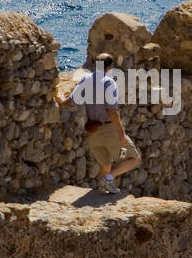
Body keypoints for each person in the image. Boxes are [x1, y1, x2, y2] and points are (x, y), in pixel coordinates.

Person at [58, 52, 141, 194]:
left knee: (105, 164)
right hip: (108, 130)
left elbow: (70, 102)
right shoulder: (109, 83)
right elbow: (113, 112)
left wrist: (60, 98)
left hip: (92, 131)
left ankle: (104, 189)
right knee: (134, 158)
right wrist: (121, 134)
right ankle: (109, 179)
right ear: (109, 67)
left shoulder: (85, 79)